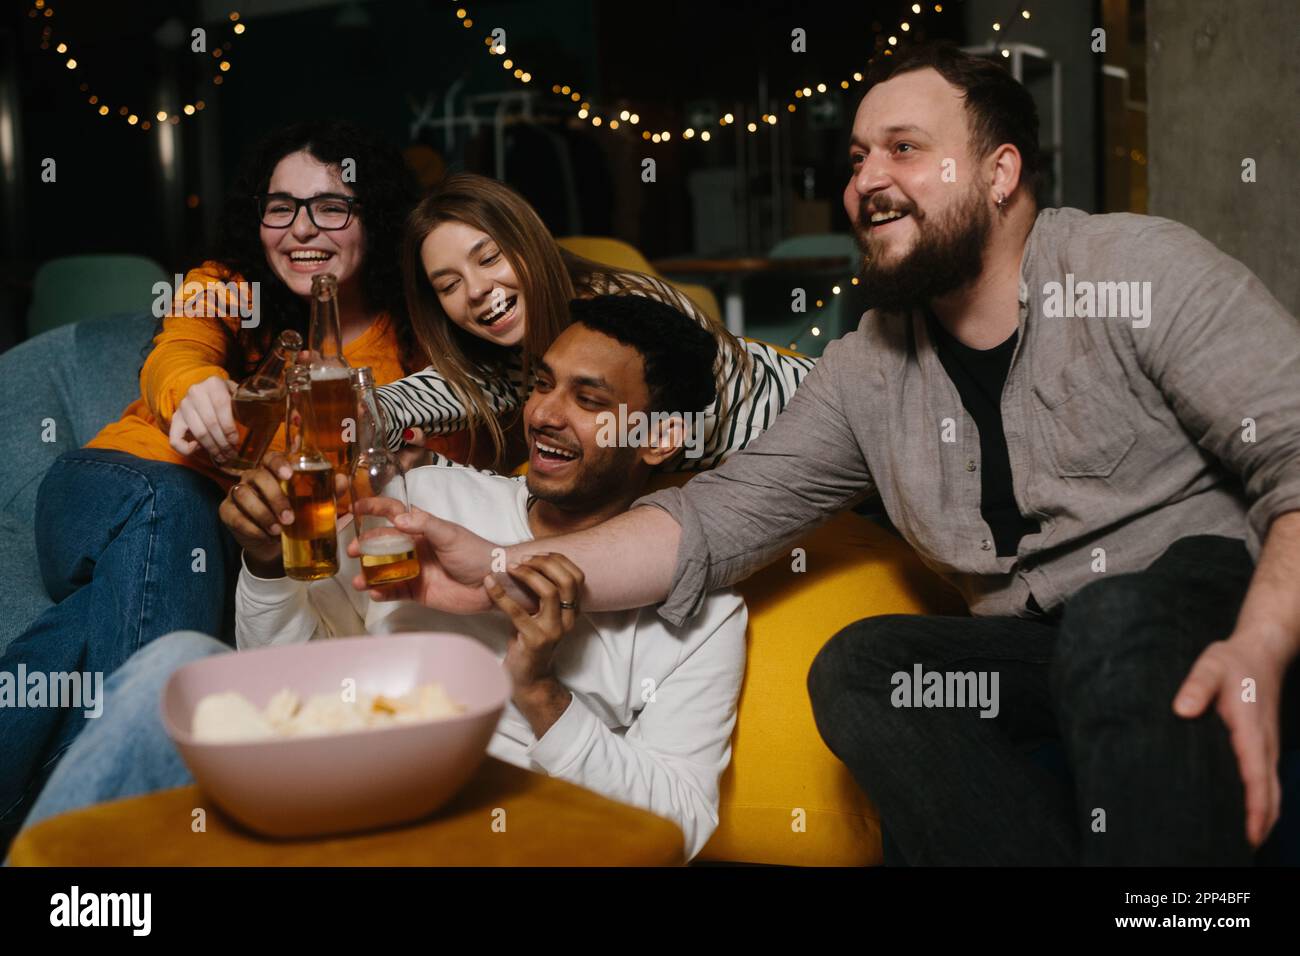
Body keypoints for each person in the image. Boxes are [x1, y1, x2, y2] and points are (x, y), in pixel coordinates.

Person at [352, 44, 1300, 866]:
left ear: (1000, 172)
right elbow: (711, 523)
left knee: (1116, 621)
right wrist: (497, 565)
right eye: (855, 159)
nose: (865, 181)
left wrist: (1259, 649)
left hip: (1195, 610)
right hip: (1038, 650)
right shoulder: (870, 368)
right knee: (864, 666)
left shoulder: (1136, 270)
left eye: (903, 149)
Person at [17, 295, 747, 862]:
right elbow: (282, 673)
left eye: (589, 401)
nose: (546, 416)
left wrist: (542, 693)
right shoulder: (428, 501)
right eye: (542, 385)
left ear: (658, 437)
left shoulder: (702, 608)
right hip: (331, 797)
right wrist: (268, 566)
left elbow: (679, 826)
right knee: (176, 664)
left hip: (492, 839)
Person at [0, 119, 430, 843]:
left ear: (373, 217)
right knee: (174, 501)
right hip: (111, 489)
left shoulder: (405, 340)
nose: (301, 229)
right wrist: (197, 386)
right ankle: (124, 830)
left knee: (78, 636)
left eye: (331, 206)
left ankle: (61, 815)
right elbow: (179, 351)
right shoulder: (226, 287)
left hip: (202, 548)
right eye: (280, 206)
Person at [372, 172, 815, 471]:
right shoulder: (507, 354)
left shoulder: (623, 311)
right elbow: (441, 389)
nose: (474, 290)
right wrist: (363, 411)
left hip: (815, 418)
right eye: (448, 285)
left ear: (529, 244)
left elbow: (629, 454)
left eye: (489, 258)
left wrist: (440, 470)